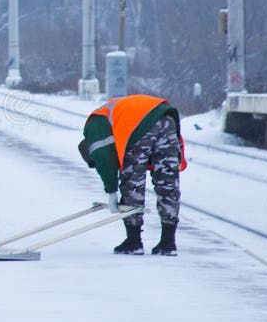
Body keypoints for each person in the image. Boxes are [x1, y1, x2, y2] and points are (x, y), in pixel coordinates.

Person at [77, 94, 187, 255]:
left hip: (139, 124)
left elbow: (105, 161)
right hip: (166, 117)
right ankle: (168, 242)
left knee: (132, 183)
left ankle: (134, 241)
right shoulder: (108, 122)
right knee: (167, 181)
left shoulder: (94, 129)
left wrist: (112, 192)